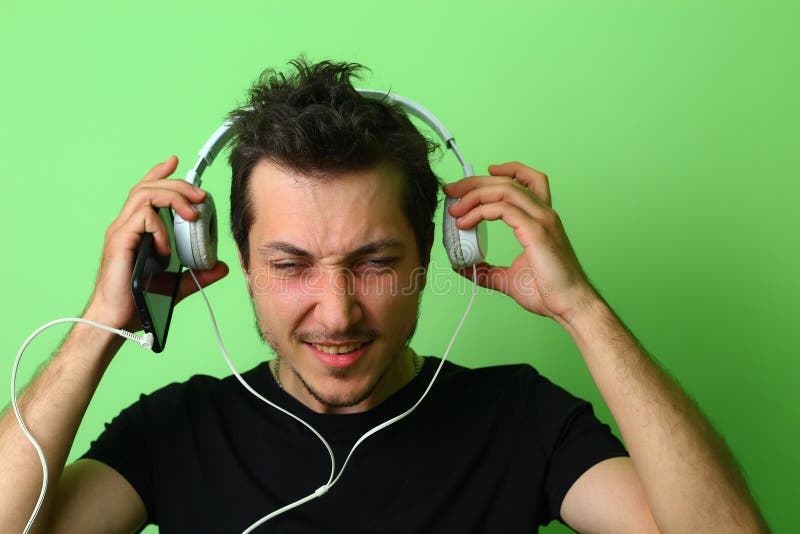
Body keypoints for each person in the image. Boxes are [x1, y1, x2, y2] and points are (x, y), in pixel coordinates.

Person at [0, 58, 769, 533]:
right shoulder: (175, 434)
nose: (337, 313)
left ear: (434, 255)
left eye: (373, 262)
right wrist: (102, 321)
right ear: (228, 258)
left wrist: (583, 310)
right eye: (292, 264)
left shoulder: (521, 421)